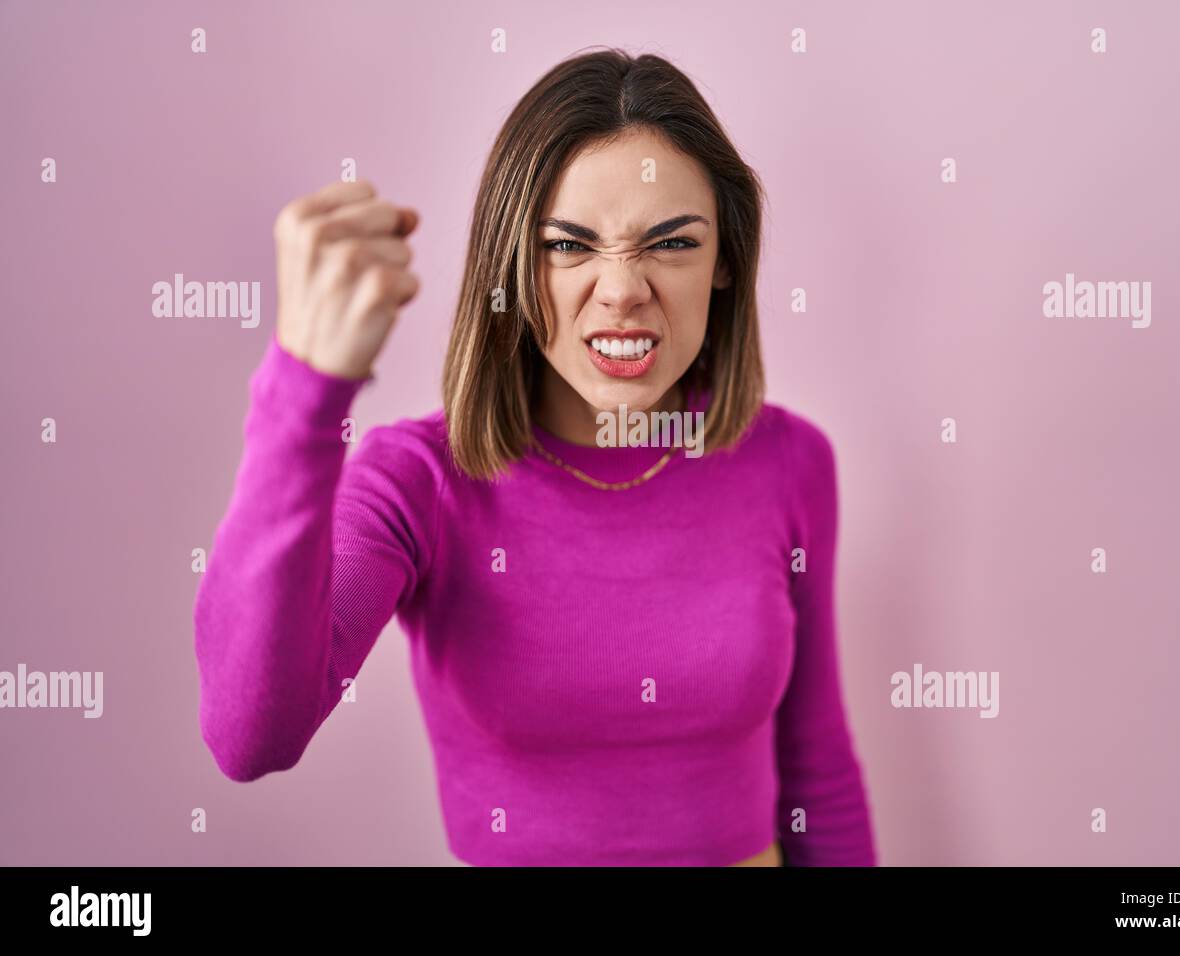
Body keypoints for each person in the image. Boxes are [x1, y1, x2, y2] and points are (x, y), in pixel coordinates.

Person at [194, 47, 877, 867]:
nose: (622, 289)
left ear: (726, 260)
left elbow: (818, 767)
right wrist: (303, 394)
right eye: (567, 246)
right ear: (512, 268)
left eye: (671, 243)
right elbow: (251, 736)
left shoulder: (790, 461)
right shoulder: (416, 485)